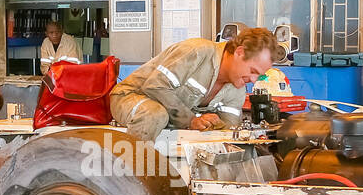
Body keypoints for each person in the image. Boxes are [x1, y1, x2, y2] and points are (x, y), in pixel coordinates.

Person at [110, 27, 276, 141]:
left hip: (171, 116)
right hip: (132, 97)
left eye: (259, 76)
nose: (253, 80)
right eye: (253, 71)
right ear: (239, 52)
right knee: (154, 115)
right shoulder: (197, 52)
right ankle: (131, 177)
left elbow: (229, 129)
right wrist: (191, 120)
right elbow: (155, 86)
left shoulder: (236, 90)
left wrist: (213, 124)